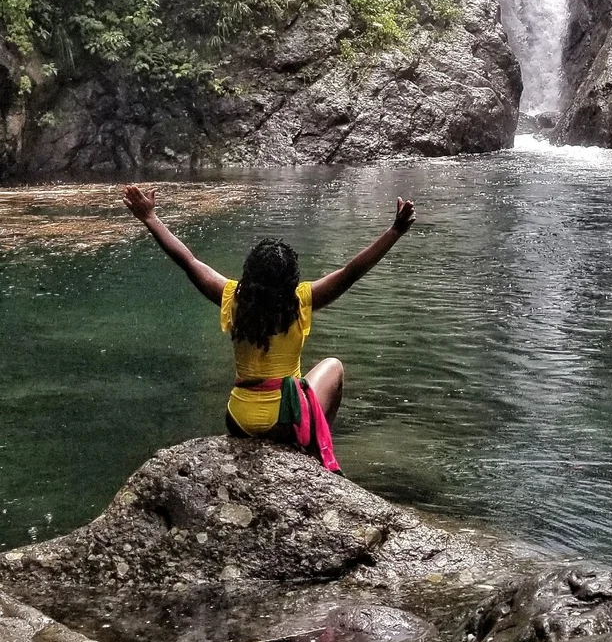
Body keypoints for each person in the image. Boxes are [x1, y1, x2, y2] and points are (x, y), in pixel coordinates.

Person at [121, 185, 416, 471]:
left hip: (238, 421)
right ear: (292, 278)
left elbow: (187, 260)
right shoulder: (302, 299)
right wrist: (395, 232)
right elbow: (352, 271)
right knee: (333, 367)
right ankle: (314, 453)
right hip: (285, 422)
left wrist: (150, 218)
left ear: (249, 273)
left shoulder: (232, 297)